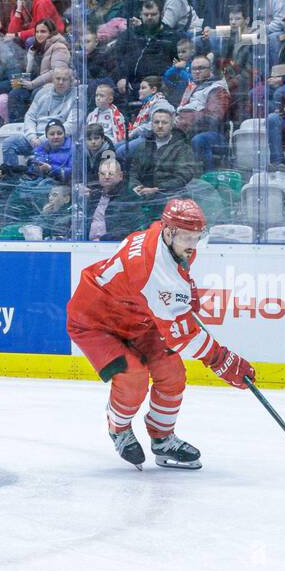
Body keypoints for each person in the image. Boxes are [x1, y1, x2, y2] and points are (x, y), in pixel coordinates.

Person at [67, 198, 255, 470]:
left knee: (172, 372)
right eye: (187, 237)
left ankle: (163, 438)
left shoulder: (163, 236)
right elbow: (184, 337)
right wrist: (221, 360)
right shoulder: (155, 271)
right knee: (133, 376)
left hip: (137, 316)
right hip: (95, 322)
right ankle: (118, 427)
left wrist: (186, 293)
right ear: (169, 232)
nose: (192, 244)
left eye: (196, 237)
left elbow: (173, 280)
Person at [129, 107, 199, 204]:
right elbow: (133, 172)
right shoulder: (143, 146)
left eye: (164, 122)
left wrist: (157, 189)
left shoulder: (182, 148)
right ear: (151, 125)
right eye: (156, 122)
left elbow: (183, 177)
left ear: (171, 126)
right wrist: (135, 186)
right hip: (141, 196)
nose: (160, 126)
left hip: (168, 198)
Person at [175, 55, 230, 170]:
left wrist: (185, 120)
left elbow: (212, 117)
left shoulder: (217, 89)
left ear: (210, 70)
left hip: (214, 134)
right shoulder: (192, 87)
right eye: (194, 69)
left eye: (201, 68)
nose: (197, 72)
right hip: (187, 129)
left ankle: (208, 176)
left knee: (199, 140)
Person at [84, 156, 143, 242]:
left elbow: (129, 229)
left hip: (112, 246)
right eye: (103, 174)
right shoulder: (94, 196)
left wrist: (106, 238)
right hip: (86, 245)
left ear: (120, 176)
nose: (106, 177)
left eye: (110, 173)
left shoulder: (129, 198)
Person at [23, 65, 78, 146]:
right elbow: (30, 116)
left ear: (71, 81)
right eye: (58, 78)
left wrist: (45, 139)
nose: (60, 82)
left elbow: (72, 125)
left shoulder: (77, 96)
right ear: (52, 80)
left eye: (65, 79)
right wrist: (32, 137)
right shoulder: (42, 92)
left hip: (58, 138)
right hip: (35, 137)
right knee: (10, 143)